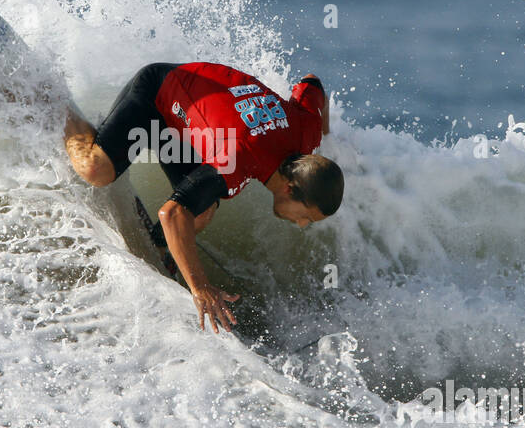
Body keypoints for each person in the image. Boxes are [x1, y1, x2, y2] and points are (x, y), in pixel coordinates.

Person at [64, 62, 343, 332]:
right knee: (95, 170)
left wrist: (325, 137)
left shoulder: (308, 132)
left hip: (185, 119)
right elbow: (172, 213)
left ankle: (158, 250)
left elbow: (312, 84)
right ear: (289, 189)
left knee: (201, 210)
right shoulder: (237, 159)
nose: (303, 224)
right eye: (306, 216)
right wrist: (201, 289)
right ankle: (58, 107)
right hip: (157, 93)